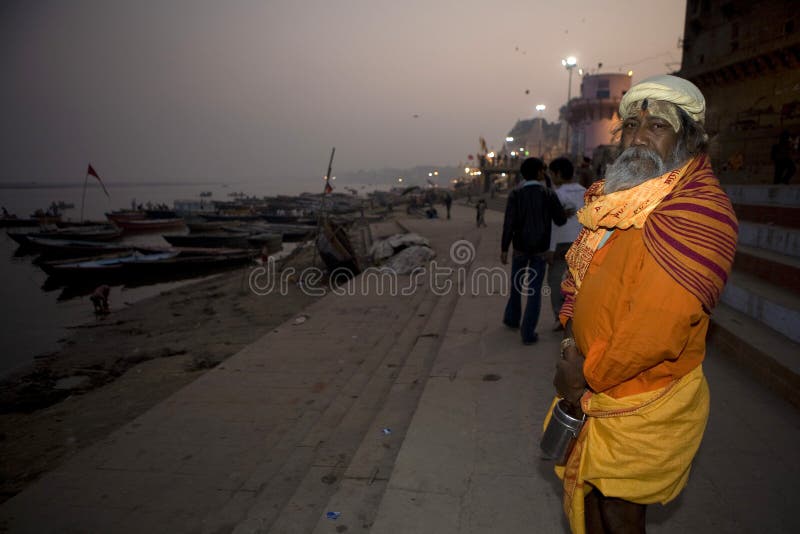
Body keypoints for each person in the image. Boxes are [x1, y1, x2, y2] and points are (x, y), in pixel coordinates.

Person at [550, 75, 738, 534]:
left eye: (657, 126)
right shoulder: (623, 197)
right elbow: (588, 277)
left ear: (688, 138)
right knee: (593, 500)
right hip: (595, 381)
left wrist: (582, 377)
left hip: (641, 394)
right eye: (631, 125)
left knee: (621, 514)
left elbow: (655, 332)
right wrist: (573, 345)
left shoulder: (697, 213)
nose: (637, 137)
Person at [501, 158, 567, 344]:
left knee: (516, 285)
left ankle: (512, 319)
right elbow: (560, 220)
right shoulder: (548, 194)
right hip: (540, 249)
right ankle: (528, 332)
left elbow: (509, 223)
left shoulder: (515, 194)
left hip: (520, 247)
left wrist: (504, 248)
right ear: (539, 173)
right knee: (534, 290)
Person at [547, 157, 585, 330]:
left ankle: (560, 316)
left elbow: (554, 224)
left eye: (552, 174)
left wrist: (550, 248)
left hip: (561, 244)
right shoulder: (585, 192)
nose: (551, 178)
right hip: (580, 243)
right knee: (577, 282)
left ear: (559, 174)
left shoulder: (556, 194)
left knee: (555, 280)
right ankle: (576, 316)